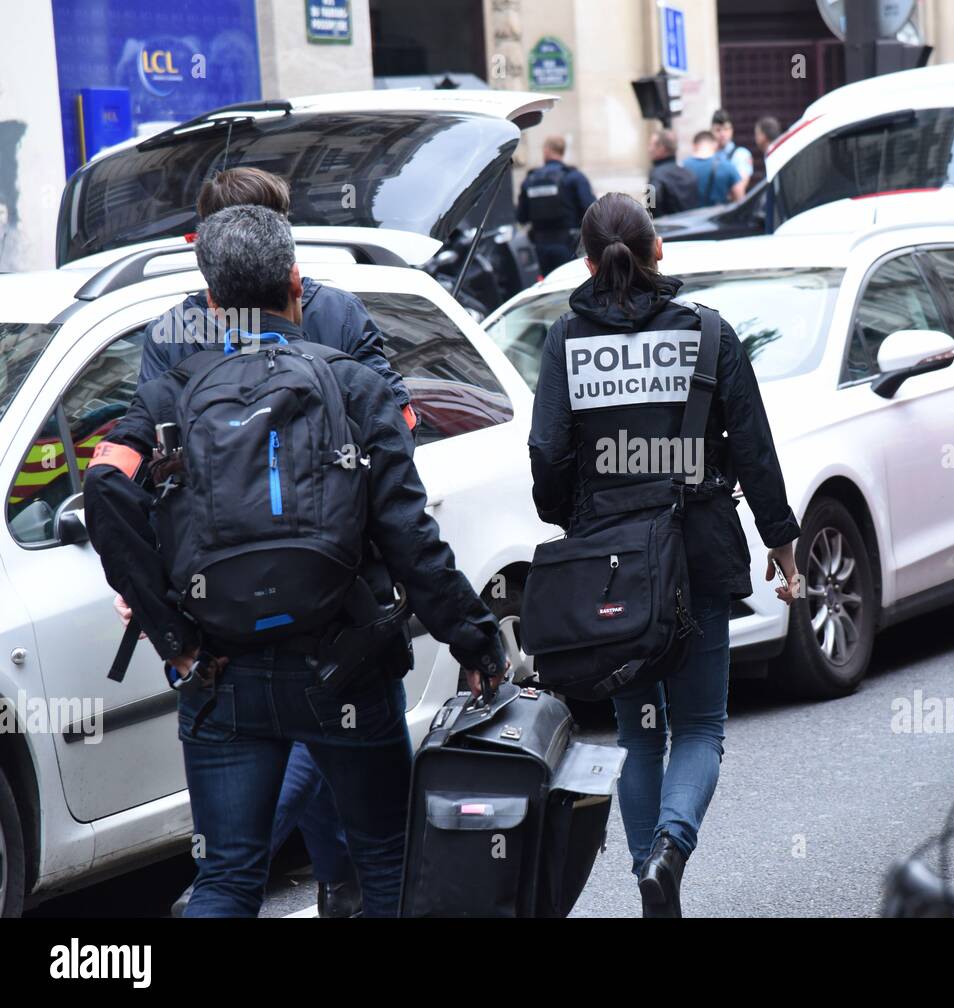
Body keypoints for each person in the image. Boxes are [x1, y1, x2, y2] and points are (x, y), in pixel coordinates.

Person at [83, 205, 507, 918]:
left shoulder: (168, 396)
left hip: (220, 674)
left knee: (226, 879)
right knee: (386, 865)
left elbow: (104, 486)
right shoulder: (356, 386)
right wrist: (474, 636)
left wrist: (175, 639)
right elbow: (409, 535)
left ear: (209, 299)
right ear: (295, 285)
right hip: (344, 663)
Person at [135, 166, 416, 920]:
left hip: (220, 626)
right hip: (340, 614)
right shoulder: (338, 316)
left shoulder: (172, 337)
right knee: (377, 832)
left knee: (232, 866)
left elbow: (136, 485)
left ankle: (331, 884)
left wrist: (165, 617)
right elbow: (400, 444)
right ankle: (341, 884)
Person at [527, 193, 801, 917]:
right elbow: (754, 449)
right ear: (659, 253)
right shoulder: (708, 334)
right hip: (696, 553)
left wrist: (574, 516)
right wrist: (782, 543)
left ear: (587, 263)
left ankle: (650, 873)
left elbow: (548, 453)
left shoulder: (565, 343)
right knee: (701, 726)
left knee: (637, 730)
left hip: (610, 563)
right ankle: (670, 856)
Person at [141, 167, 413, 428]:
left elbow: (152, 432)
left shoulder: (172, 330)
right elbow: (394, 415)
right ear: (281, 230)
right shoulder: (338, 310)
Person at [517, 134, 597, 275]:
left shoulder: (530, 179)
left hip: (539, 249)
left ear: (546, 150)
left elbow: (521, 217)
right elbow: (592, 211)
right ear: (562, 151)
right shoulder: (574, 177)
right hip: (568, 247)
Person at [646, 129, 700, 218]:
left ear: (662, 149)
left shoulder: (655, 176)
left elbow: (649, 209)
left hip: (666, 230)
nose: (649, 149)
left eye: (651, 145)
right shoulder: (690, 174)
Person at [682, 131, 743, 209]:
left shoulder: (681, 167)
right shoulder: (728, 166)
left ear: (694, 145)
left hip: (688, 219)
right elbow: (740, 199)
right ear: (715, 144)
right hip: (717, 219)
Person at [711, 109, 754, 189]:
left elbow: (741, 185)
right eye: (718, 130)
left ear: (732, 130)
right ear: (712, 131)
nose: (722, 134)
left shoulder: (741, 154)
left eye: (726, 129)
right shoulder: (709, 155)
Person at [749, 115, 782, 193]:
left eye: (757, 134)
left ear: (763, 136)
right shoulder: (775, 153)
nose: (755, 138)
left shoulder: (773, 156)